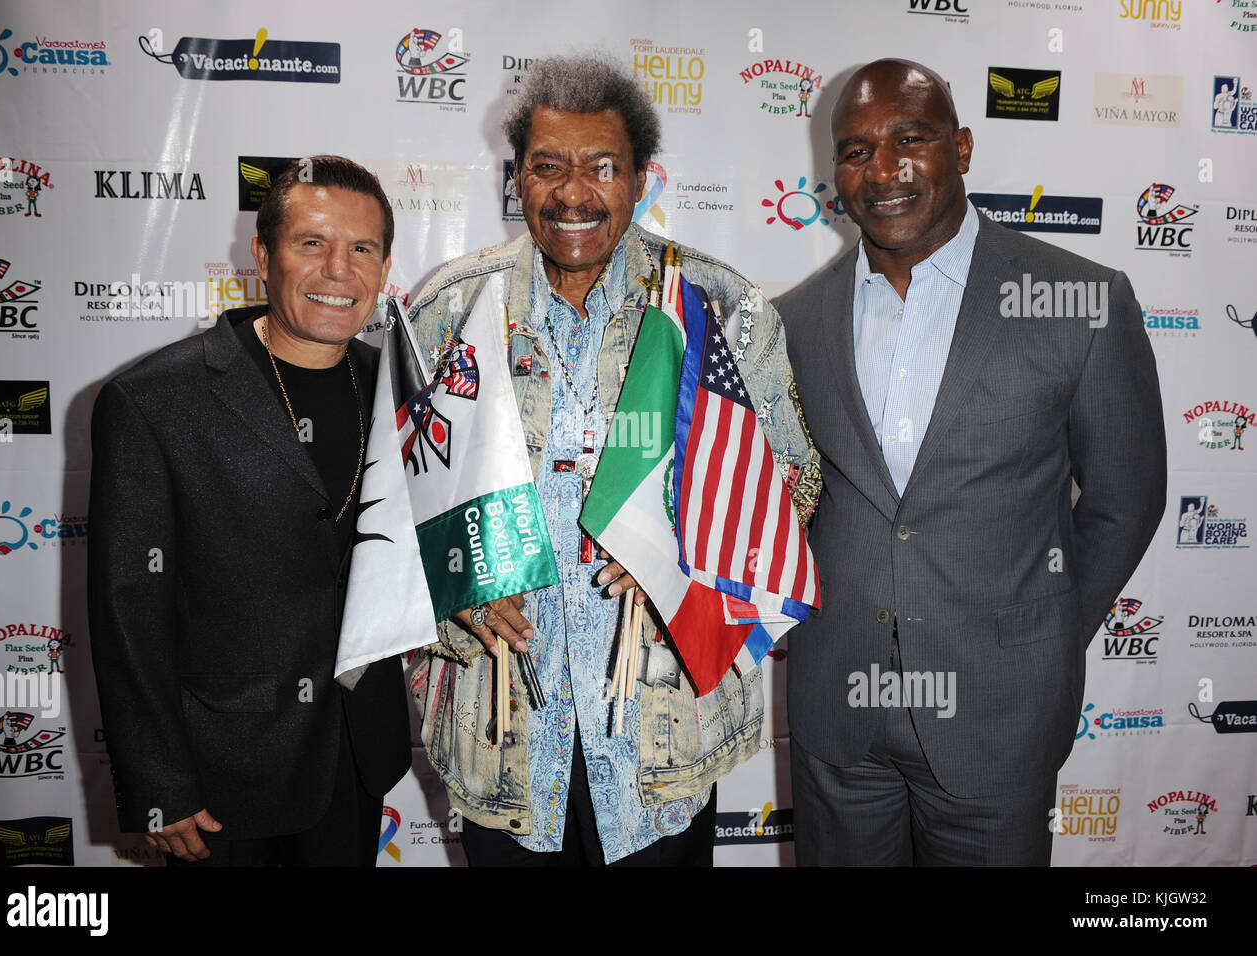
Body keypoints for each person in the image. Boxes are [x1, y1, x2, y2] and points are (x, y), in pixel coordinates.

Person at [406, 54, 820, 866]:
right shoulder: (450, 311)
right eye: (547, 166)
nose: (573, 192)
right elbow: (394, 510)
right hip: (505, 746)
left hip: (662, 754)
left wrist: (690, 550)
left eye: (602, 167)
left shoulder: (717, 307)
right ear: (517, 177)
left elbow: (793, 488)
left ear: (641, 181)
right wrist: (452, 589)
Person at [778, 59, 1166, 865]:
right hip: (837, 713)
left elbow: (1127, 499)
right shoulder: (791, 321)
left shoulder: (1081, 300)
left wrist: (1041, 635)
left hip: (998, 712)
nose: (882, 171)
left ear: (961, 147)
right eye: (855, 151)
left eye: (909, 139)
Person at [88, 155, 411, 866]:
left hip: (356, 754)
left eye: (361, 249)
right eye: (311, 244)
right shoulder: (154, 401)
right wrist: (157, 779)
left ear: (385, 268)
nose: (338, 270)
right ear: (263, 255)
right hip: (220, 778)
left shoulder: (397, 389)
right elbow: (127, 608)